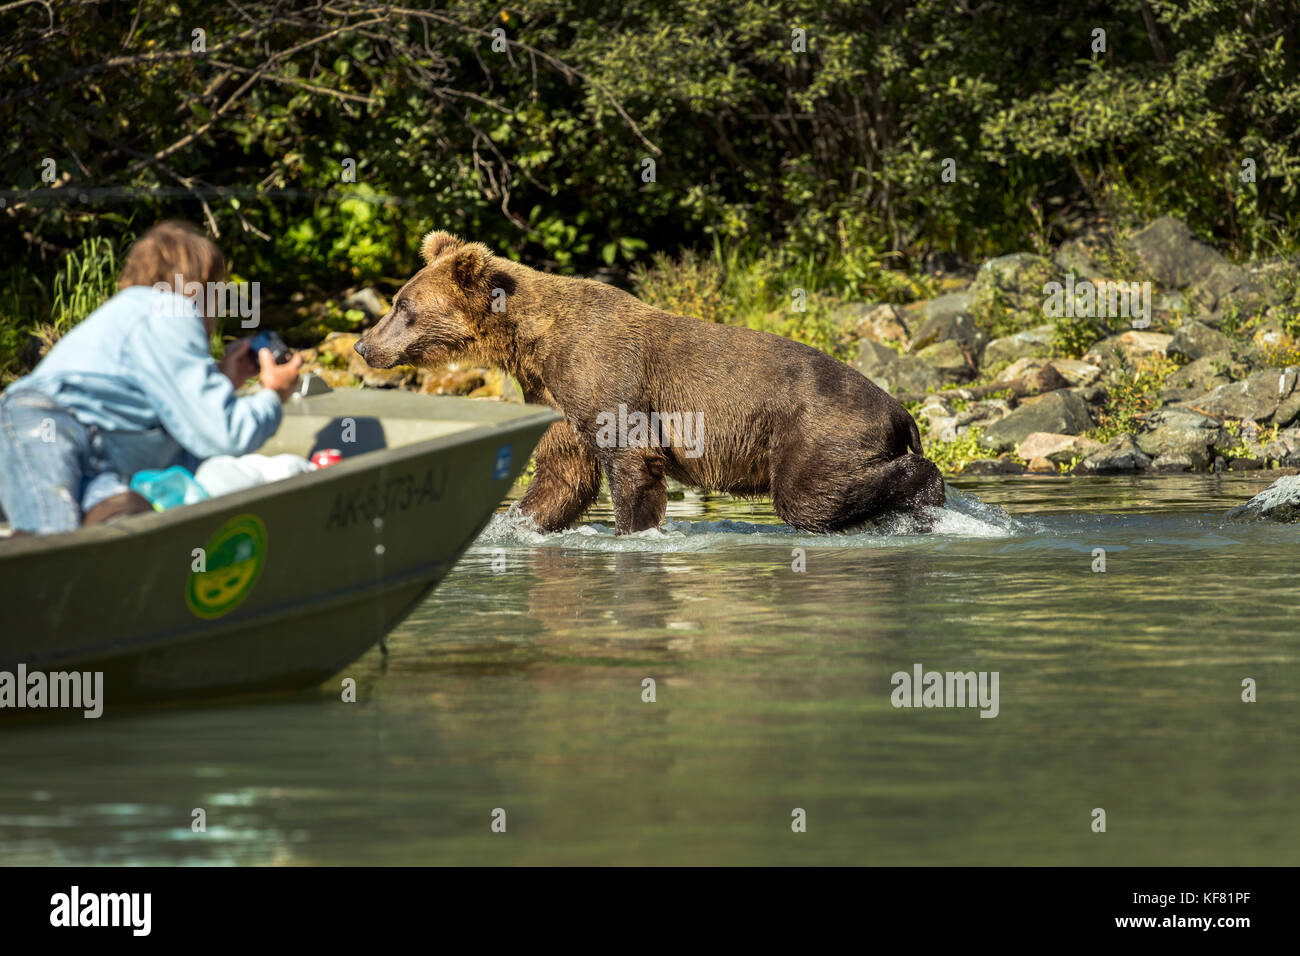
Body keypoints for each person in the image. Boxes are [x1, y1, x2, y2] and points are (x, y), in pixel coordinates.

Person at [0, 221, 302, 535]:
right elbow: (224, 435)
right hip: (51, 425)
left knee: (118, 523)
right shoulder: (171, 311)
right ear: (199, 286)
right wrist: (272, 395)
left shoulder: (138, 314)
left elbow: (184, 433)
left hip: (91, 448)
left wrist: (222, 380)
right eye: (217, 293)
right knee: (52, 545)